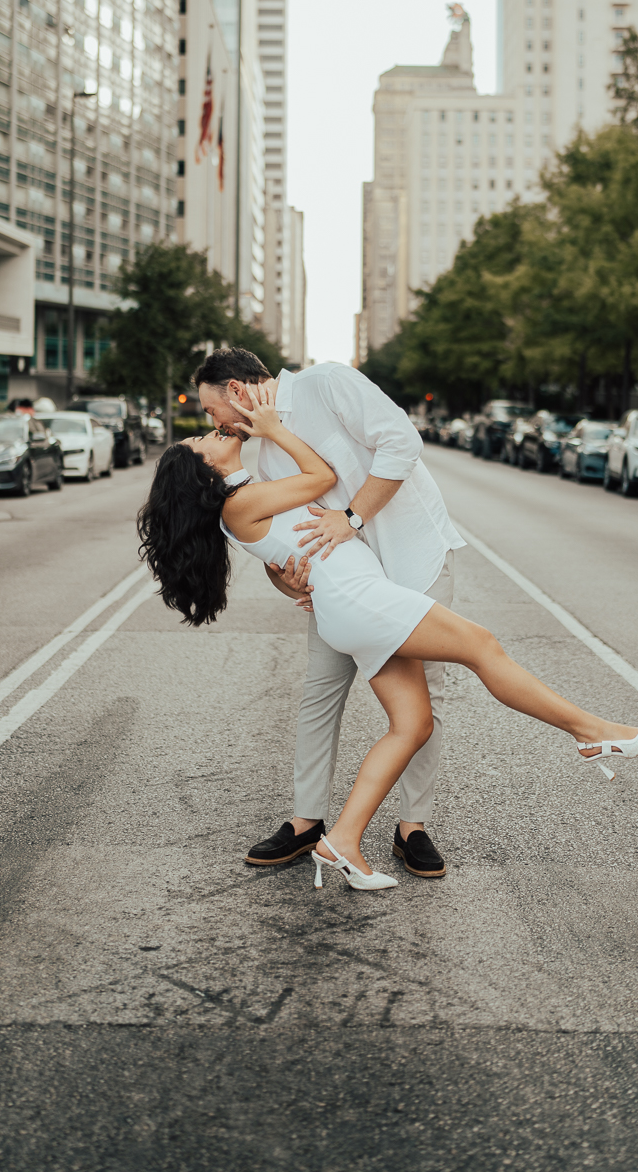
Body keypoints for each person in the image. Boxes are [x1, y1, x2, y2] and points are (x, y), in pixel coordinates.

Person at [138, 382, 638, 893]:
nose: (212, 430)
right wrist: (276, 430)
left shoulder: (245, 495)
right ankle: (590, 731)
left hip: (350, 601)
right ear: (202, 472)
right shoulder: (240, 501)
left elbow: (286, 548)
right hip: (361, 600)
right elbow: (321, 476)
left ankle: (342, 840)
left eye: (208, 424)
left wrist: (291, 573)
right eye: (203, 439)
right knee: (483, 647)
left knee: (412, 724)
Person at [193, 348, 463, 879]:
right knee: (321, 691)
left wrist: (353, 517)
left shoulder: (328, 384)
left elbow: (402, 442)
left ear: (237, 391)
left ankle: (414, 826)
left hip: (412, 558)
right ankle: (306, 821)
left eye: (210, 411)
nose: (213, 422)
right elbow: (278, 541)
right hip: (343, 584)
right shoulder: (260, 455)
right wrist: (287, 578)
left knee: (421, 697)